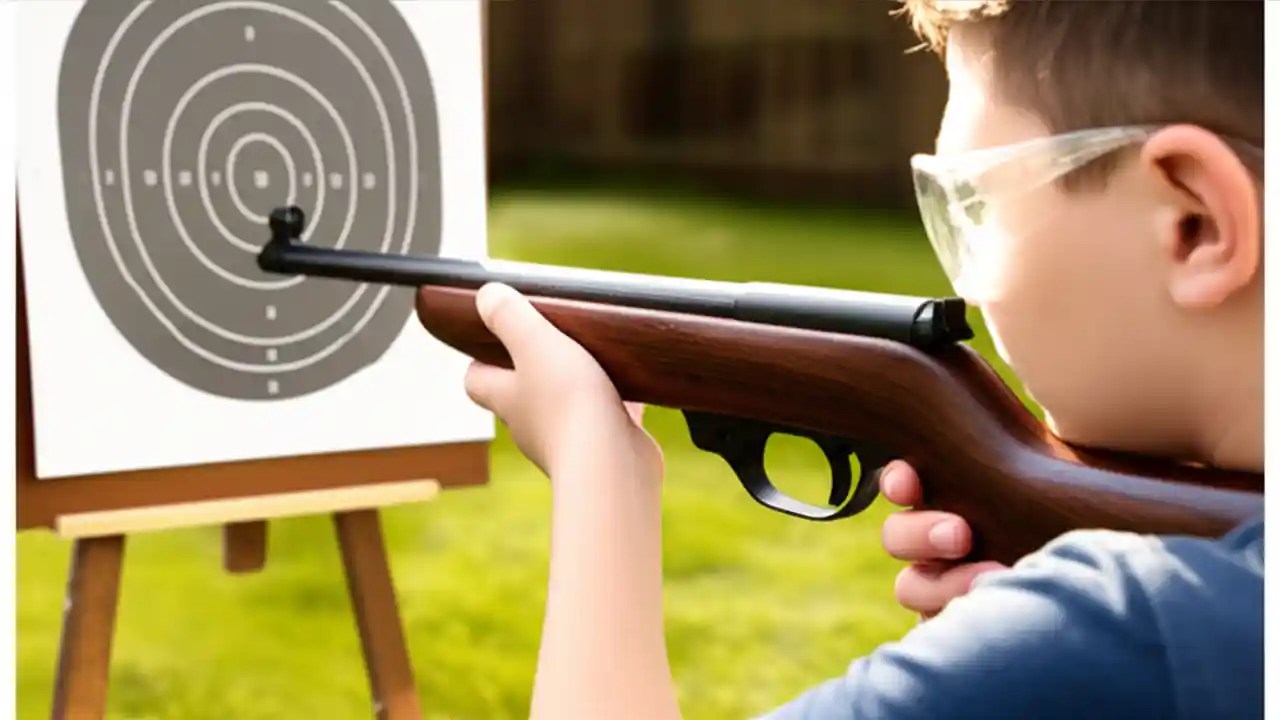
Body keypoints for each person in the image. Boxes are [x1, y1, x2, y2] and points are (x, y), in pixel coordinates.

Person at [456, 1, 1264, 717]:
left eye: (978, 206)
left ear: (1193, 223)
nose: (971, 294)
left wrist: (600, 468)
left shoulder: (1130, 630)